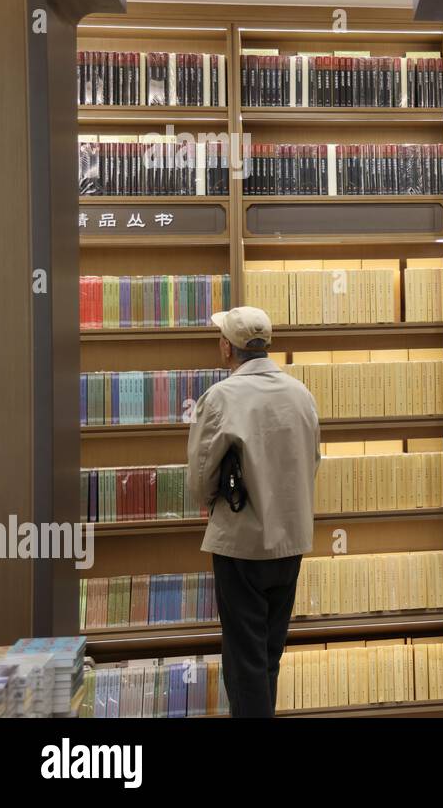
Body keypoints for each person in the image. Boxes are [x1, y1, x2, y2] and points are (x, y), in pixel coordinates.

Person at [186, 305, 320, 716]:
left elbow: (200, 480)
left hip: (241, 544)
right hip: (290, 543)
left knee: (243, 662)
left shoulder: (222, 398)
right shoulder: (302, 395)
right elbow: (312, 461)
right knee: (268, 655)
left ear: (228, 346)